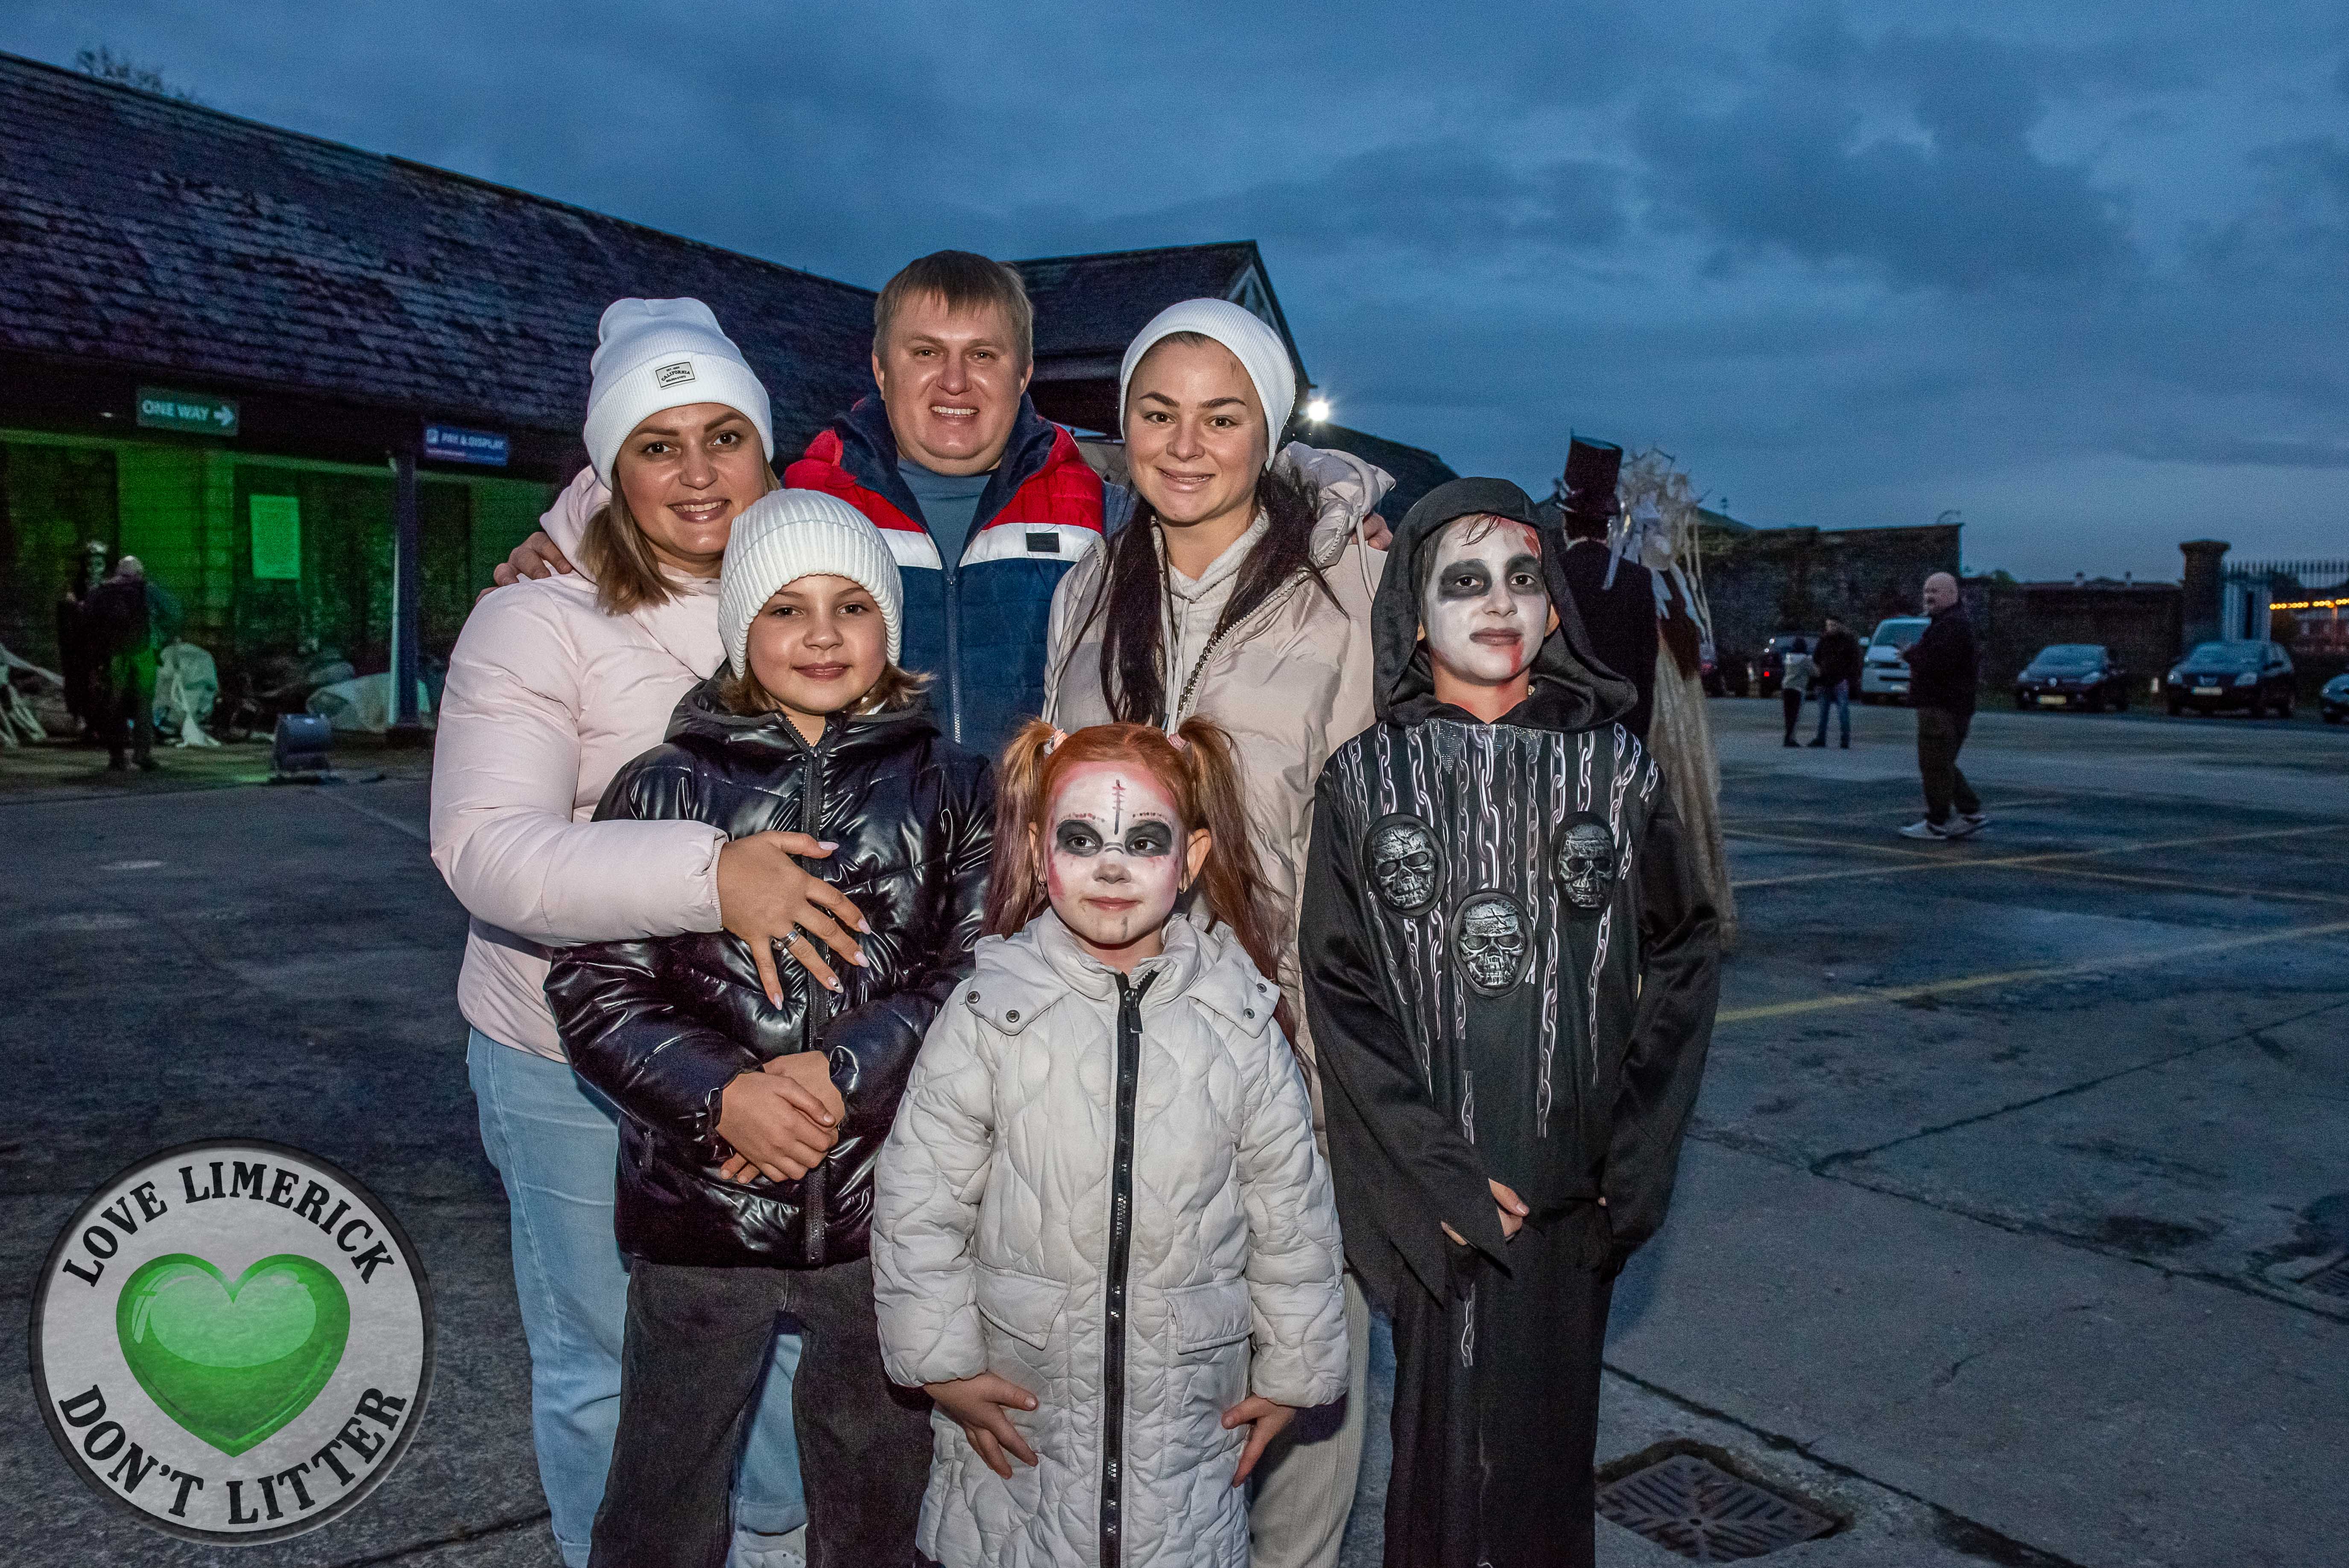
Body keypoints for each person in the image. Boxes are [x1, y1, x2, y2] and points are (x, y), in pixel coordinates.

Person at [432, 299, 831, 1568]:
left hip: (760, 1065)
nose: (701, 471)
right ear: (607, 473)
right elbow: (486, 851)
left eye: (727, 436)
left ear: (771, 459)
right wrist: (712, 879)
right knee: (607, 1358)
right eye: (660, 446)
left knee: (775, 1345)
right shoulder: (537, 620)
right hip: (566, 1066)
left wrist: (1333, 475)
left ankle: (769, 1546)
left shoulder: (806, 602)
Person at [547, 490, 993, 1568]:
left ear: (890, 625)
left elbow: (980, 975)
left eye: (852, 606)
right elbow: (598, 990)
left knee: (880, 1494)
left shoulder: (954, 786)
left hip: (885, 1209)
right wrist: (725, 1096)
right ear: (741, 628)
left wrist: (842, 1074)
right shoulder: (659, 785)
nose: (823, 634)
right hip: (702, 1213)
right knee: (663, 1492)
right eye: (787, 608)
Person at [1301, 478, 1721, 1568]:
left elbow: (1680, 949)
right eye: (1463, 580)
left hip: (1568, 1180)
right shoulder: (1359, 781)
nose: (1496, 602)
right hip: (1440, 1197)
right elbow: (1338, 987)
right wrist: (1424, 1174)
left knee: (1541, 1474)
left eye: (1522, 578)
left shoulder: (1616, 771)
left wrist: (1625, 1158)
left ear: (1551, 610)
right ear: (1414, 609)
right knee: (1437, 1469)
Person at [1040, 296, 1389, 1568]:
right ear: (1123, 429)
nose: (1187, 446)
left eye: (1222, 415)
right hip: (1109, 1077)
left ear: (1269, 428)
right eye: (1157, 413)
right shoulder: (1087, 589)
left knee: (1298, 1392)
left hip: (1298, 1066)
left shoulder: (1357, 585)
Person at [872, 719, 1347, 1568]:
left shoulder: (1237, 1022)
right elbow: (918, 1199)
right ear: (1033, 846)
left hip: (1185, 1420)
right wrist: (937, 1361)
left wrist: (1292, 1370)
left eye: (1145, 841)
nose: (1112, 867)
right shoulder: (989, 1014)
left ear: (1193, 858)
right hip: (1022, 1417)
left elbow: (1290, 1211)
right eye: (1081, 839)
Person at [495, 251, 1105, 758]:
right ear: (880, 370)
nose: (953, 380)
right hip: (865, 866)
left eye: (982, 354)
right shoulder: (804, 504)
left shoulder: (1108, 513)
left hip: (1048, 875)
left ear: (1023, 373)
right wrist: (569, 546)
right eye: (924, 352)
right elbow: (679, 512)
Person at [1552, 436, 1659, 741]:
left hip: (1562, 724)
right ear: (1608, 525)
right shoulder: (1637, 578)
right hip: (1621, 725)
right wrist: (1638, 736)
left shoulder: (1547, 574)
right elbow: (1645, 668)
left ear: (1565, 523)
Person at [1899, 572, 1987, 840]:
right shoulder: (1949, 624)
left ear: (1952, 595)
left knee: (1934, 765)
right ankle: (1971, 813)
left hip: (1941, 708)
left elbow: (1938, 662)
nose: (1928, 597)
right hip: (1951, 707)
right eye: (1926, 591)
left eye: (1935, 591)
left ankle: (1936, 823)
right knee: (1943, 763)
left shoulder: (1952, 626)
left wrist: (1910, 654)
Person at [81, 555, 178, 772]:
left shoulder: (103, 591)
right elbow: (173, 612)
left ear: (117, 573)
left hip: (115, 657)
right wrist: (161, 636)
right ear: (139, 573)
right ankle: (142, 754)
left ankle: (117, 756)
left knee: (114, 705)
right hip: (143, 654)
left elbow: (87, 619)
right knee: (144, 705)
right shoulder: (147, 589)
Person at [57, 538, 110, 743]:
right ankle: (89, 723)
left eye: (98, 563)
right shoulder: (77, 587)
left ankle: (104, 724)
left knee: (105, 686)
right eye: (90, 563)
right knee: (84, 685)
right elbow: (68, 614)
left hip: (104, 645)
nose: (93, 568)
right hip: (82, 647)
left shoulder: (109, 587)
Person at [1808, 616, 1860, 749]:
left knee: (1843, 711)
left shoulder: (1847, 641)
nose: (1831, 628)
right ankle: (1821, 738)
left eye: (1834, 625)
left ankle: (1845, 739)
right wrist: (1816, 679)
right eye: (1829, 625)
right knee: (1823, 713)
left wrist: (1849, 678)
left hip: (1840, 680)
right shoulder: (1824, 640)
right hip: (1824, 680)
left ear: (1840, 626)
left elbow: (1855, 661)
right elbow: (1816, 659)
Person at [1778, 635, 1814, 747]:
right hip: (1798, 689)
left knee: (1788, 714)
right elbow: (1815, 672)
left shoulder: (1788, 658)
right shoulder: (1805, 659)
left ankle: (1787, 737)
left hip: (1786, 687)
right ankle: (1791, 739)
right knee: (1795, 715)